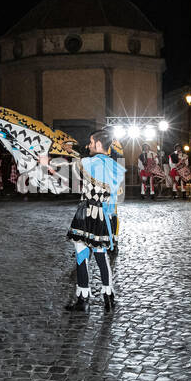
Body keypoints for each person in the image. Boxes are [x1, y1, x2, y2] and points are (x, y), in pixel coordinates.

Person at [36, 129, 124, 313]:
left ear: (99, 144)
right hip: (102, 215)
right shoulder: (113, 165)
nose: (89, 145)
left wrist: (47, 162)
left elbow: (70, 170)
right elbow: (78, 180)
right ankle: (109, 296)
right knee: (101, 256)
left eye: (91, 142)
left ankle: (83, 299)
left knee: (82, 255)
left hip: (86, 214)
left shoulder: (90, 162)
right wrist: (52, 169)